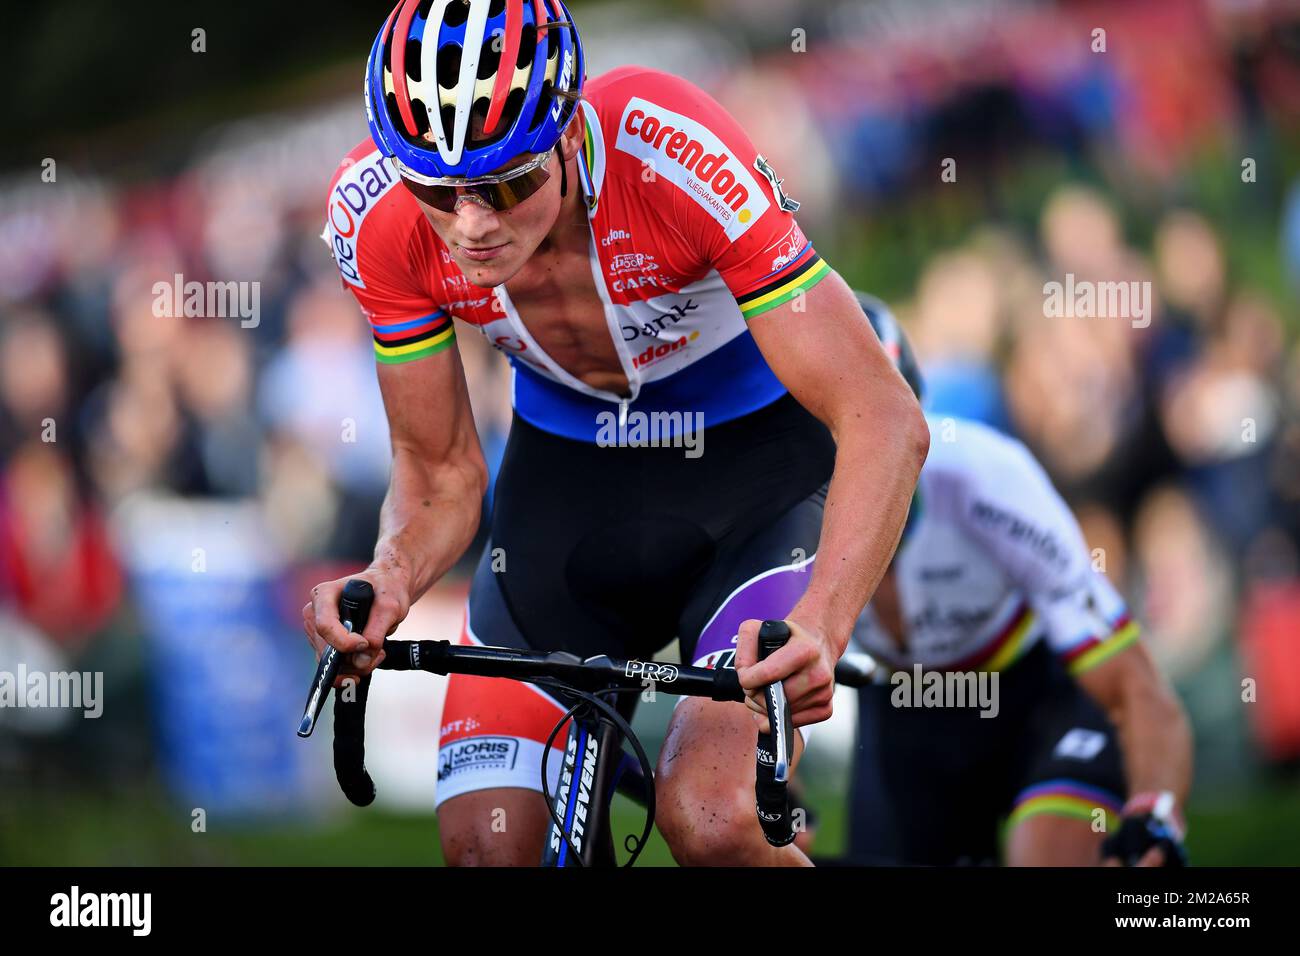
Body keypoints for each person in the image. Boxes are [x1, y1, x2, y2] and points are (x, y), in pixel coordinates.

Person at [302, 1, 929, 865]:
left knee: (713, 817)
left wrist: (824, 620)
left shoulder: (667, 144)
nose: (473, 224)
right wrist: (388, 577)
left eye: (507, 184)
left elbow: (884, 413)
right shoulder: (375, 220)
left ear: (567, 132)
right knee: (488, 851)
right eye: (437, 192)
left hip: (756, 473)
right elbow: (440, 471)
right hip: (569, 489)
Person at [845, 294, 1192, 867]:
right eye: (827, 422)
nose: (855, 451)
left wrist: (1155, 811)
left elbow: (1139, 687)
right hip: (904, 710)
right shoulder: (778, 503)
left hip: (1033, 696)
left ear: (916, 416)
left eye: (876, 419)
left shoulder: (988, 478)